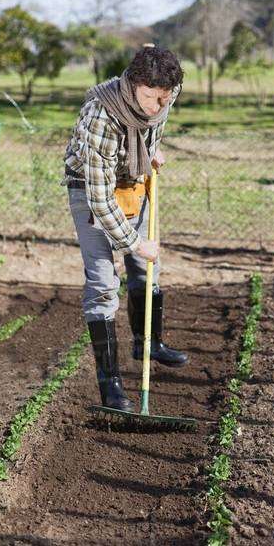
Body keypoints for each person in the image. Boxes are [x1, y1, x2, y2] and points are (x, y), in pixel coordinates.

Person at [63, 46, 189, 413]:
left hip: (134, 178)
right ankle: (111, 384)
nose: (155, 106)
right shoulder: (100, 115)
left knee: (148, 272)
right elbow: (101, 202)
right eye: (149, 98)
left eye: (162, 99)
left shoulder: (167, 92)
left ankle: (148, 342)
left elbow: (152, 125)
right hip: (90, 190)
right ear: (132, 85)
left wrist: (152, 147)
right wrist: (135, 243)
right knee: (104, 286)